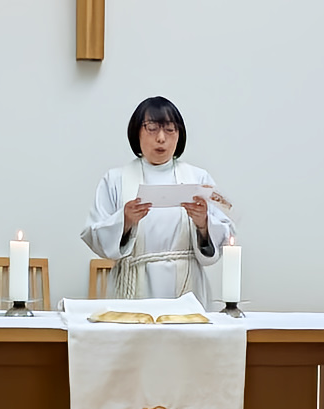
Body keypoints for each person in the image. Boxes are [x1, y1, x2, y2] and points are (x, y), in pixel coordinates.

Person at [81, 96, 234, 306]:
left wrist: (204, 224)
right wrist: (124, 221)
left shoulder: (198, 179)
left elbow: (227, 233)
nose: (161, 138)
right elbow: (94, 234)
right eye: (152, 128)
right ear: (137, 132)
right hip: (133, 284)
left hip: (187, 286)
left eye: (170, 129)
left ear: (179, 134)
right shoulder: (115, 179)